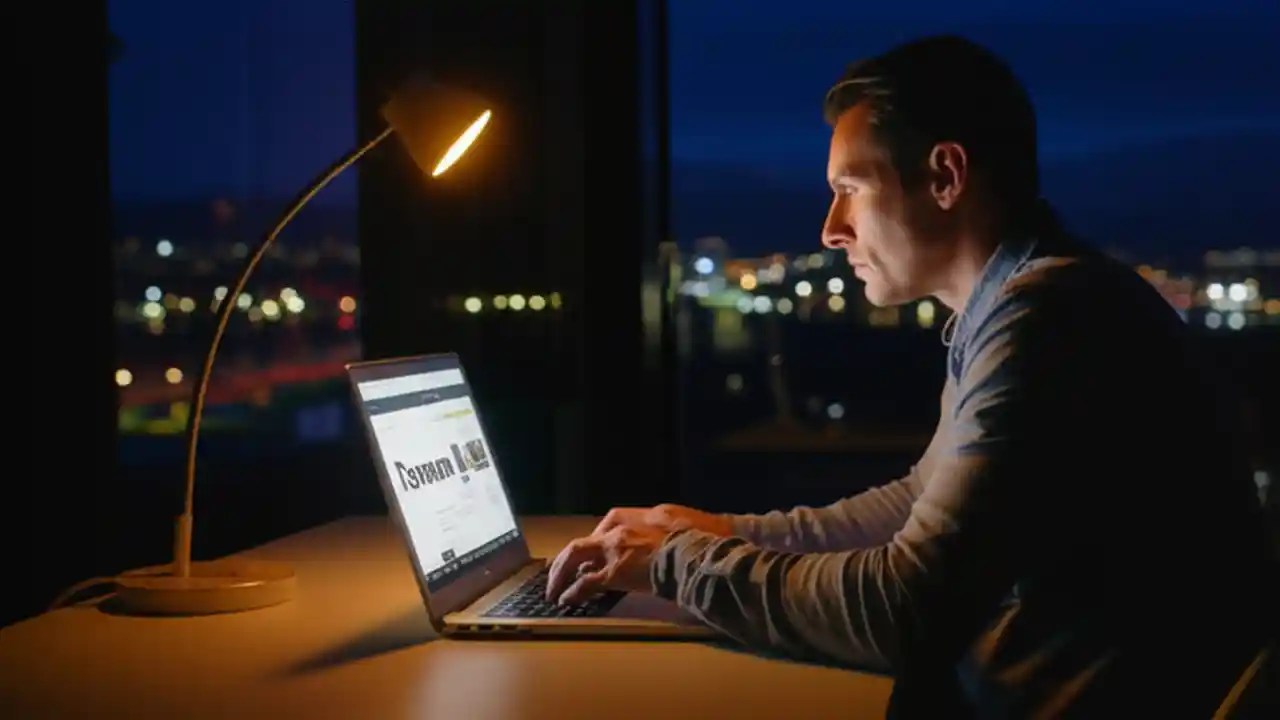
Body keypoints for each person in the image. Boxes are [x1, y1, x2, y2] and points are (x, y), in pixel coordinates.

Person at [546, 35, 1277, 717]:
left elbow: (906, 607)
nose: (832, 228)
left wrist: (681, 563)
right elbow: (916, 506)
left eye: (851, 188)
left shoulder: (1048, 320)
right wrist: (722, 532)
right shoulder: (1018, 305)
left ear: (945, 177)